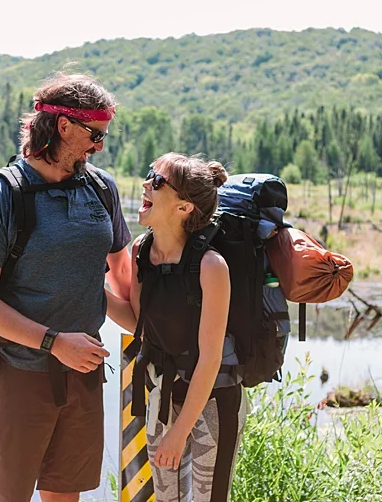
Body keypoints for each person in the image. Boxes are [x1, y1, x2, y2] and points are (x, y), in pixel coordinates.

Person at [0, 73, 135, 502]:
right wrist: (54, 342)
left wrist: (155, 327)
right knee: (6, 495)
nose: (99, 146)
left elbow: (121, 272)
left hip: (83, 371)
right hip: (14, 373)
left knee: (65, 494)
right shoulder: (2, 196)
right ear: (62, 126)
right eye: (95, 135)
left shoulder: (101, 188)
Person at [129, 153, 246, 502]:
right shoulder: (141, 251)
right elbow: (140, 324)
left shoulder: (212, 266)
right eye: (150, 175)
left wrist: (179, 433)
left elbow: (210, 359)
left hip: (214, 401)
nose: (146, 184)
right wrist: (89, 288)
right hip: (163, 395)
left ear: (184, 207)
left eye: (159, 182)